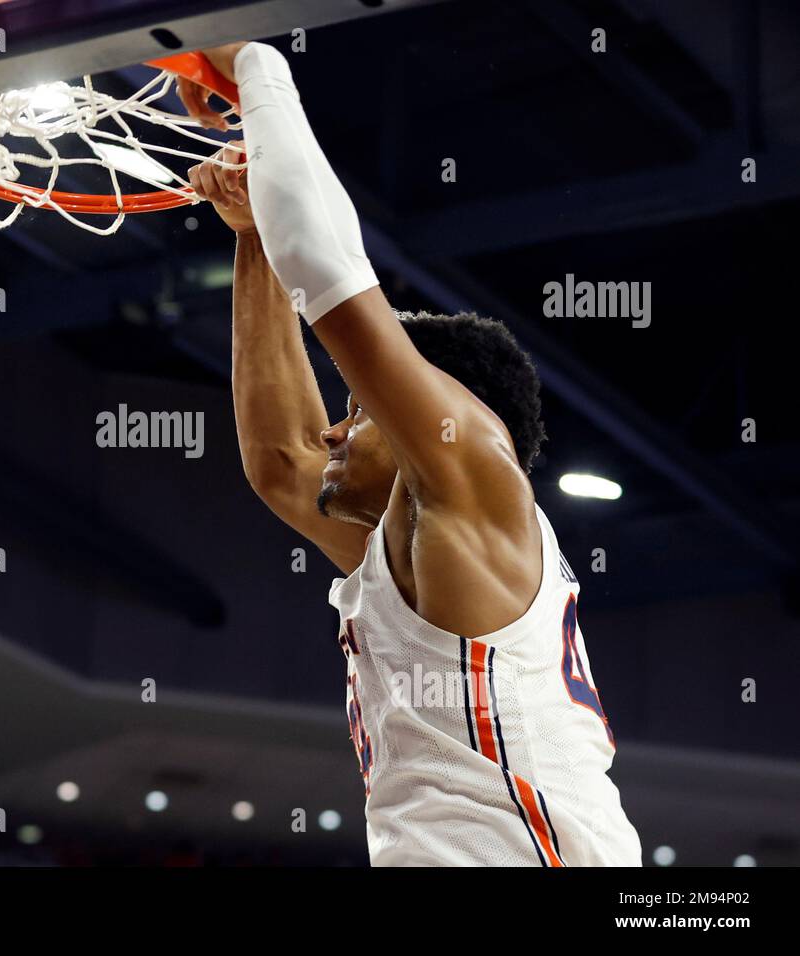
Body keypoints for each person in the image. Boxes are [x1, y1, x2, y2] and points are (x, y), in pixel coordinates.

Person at [179, 42, 641, 866]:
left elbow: (327, 267)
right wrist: (253, 232)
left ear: (442, 410)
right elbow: (282, 462)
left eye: (356, 410)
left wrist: (258, 69)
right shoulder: (430, 548)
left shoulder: (478, 477)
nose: (332, 430)